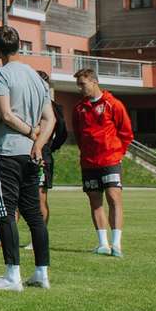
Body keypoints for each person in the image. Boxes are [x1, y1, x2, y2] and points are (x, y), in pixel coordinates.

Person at [0, 25, 54, 291]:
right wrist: (38, 143)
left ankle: (12, 276)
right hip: (29, 156)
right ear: (19, 45)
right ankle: (41, 274)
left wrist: (30, 131)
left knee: (4, 213)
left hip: (5, 153)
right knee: (34, 215)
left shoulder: (1, 74)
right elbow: (51, 118)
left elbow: (6, 115)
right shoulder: (36, 77)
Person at [72, 68, 132, 257]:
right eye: (78, 85)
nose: (80, 88)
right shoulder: (79, 108)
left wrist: (117, 153)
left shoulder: (113, 104)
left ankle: (117, 245)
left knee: (114, 198)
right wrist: (86, 154)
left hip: (110, 160)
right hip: (89, 163)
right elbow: (79, 135)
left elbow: (126, 133)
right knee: (95, 202)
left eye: (83, 84)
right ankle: (103, 244)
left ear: (94, 82)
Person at [35, 70, 68, 233]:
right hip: (23, 154)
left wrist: (49, 147)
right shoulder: (26, 103)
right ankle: (4, 237)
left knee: (40, 198)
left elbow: (62, 133)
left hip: (43, 157)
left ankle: (39, 237)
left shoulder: (54, 108)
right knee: (18, 198)